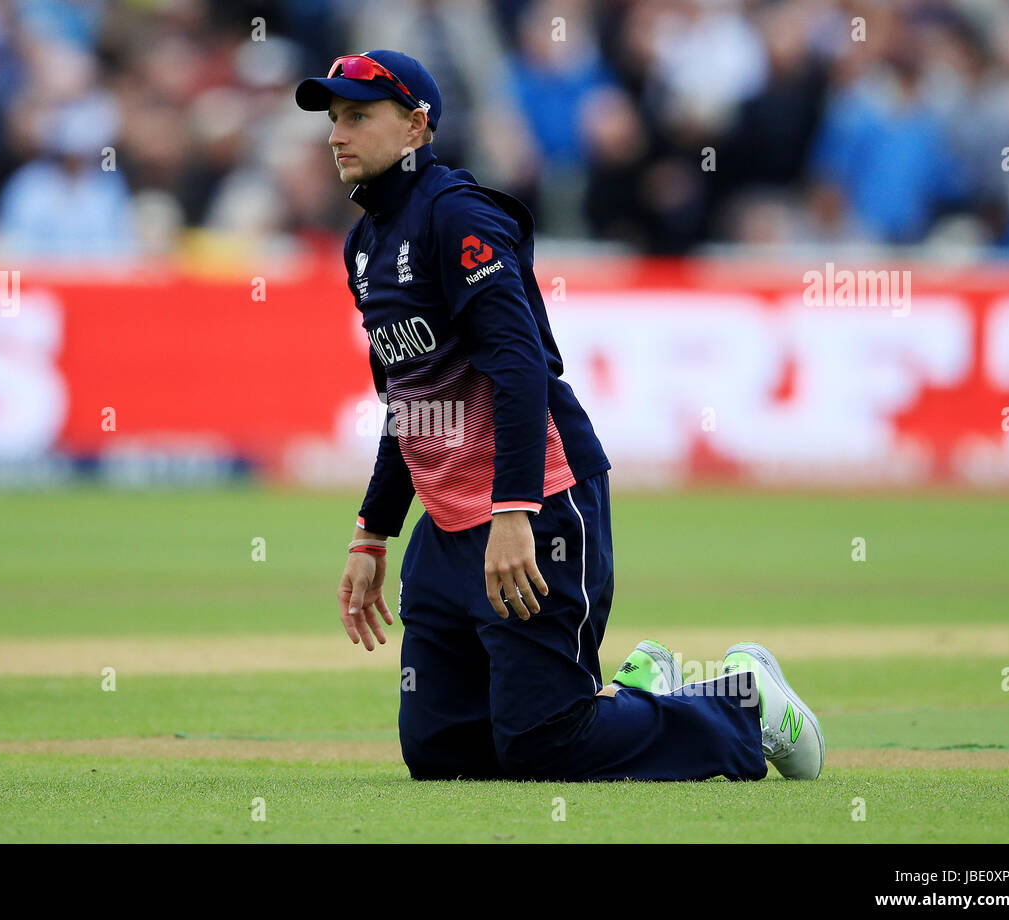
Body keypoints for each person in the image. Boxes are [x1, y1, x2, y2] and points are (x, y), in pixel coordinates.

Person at [296, 50, 824, 781]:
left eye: (357, 116)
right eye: (333, 119)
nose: (335, 134)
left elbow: (520, 369)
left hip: (537, 504)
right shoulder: (365, 245)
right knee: (443, 756)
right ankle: (644, 698)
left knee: (548, 742)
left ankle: (740, 705)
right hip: (450, 531)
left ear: (417, 127)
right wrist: (372, 532)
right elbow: (406, 401)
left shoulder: (459, 216)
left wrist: (514, 509)